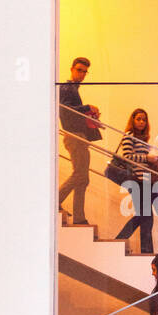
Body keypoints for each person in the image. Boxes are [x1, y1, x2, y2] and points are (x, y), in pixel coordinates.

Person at [114, 108, 158, 254]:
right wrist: (146, 158)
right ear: (133, 120)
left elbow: (142, 161)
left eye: (144, 119)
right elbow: (127, 157)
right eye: (139, 119)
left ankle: (146, 251)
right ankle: (120, 241)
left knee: (147, 218)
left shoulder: (143, 139)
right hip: (136, 180)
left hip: (146, 179)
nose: (142, 122)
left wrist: (154, 161)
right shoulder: (129, 136)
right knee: (144, 215)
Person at [58, 56, 100, 225]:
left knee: (84, 178)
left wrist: (91, 119)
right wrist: (87, 108)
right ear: (72, 69)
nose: (81, 74)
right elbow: (64, 109)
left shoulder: (73, 88)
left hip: (79, 136)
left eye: (84, 71)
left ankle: (79, 218)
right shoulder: (67, 87)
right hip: (74, 136)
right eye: (79, 70)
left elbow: (74, 112)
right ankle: (55, 201)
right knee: (80, 175)